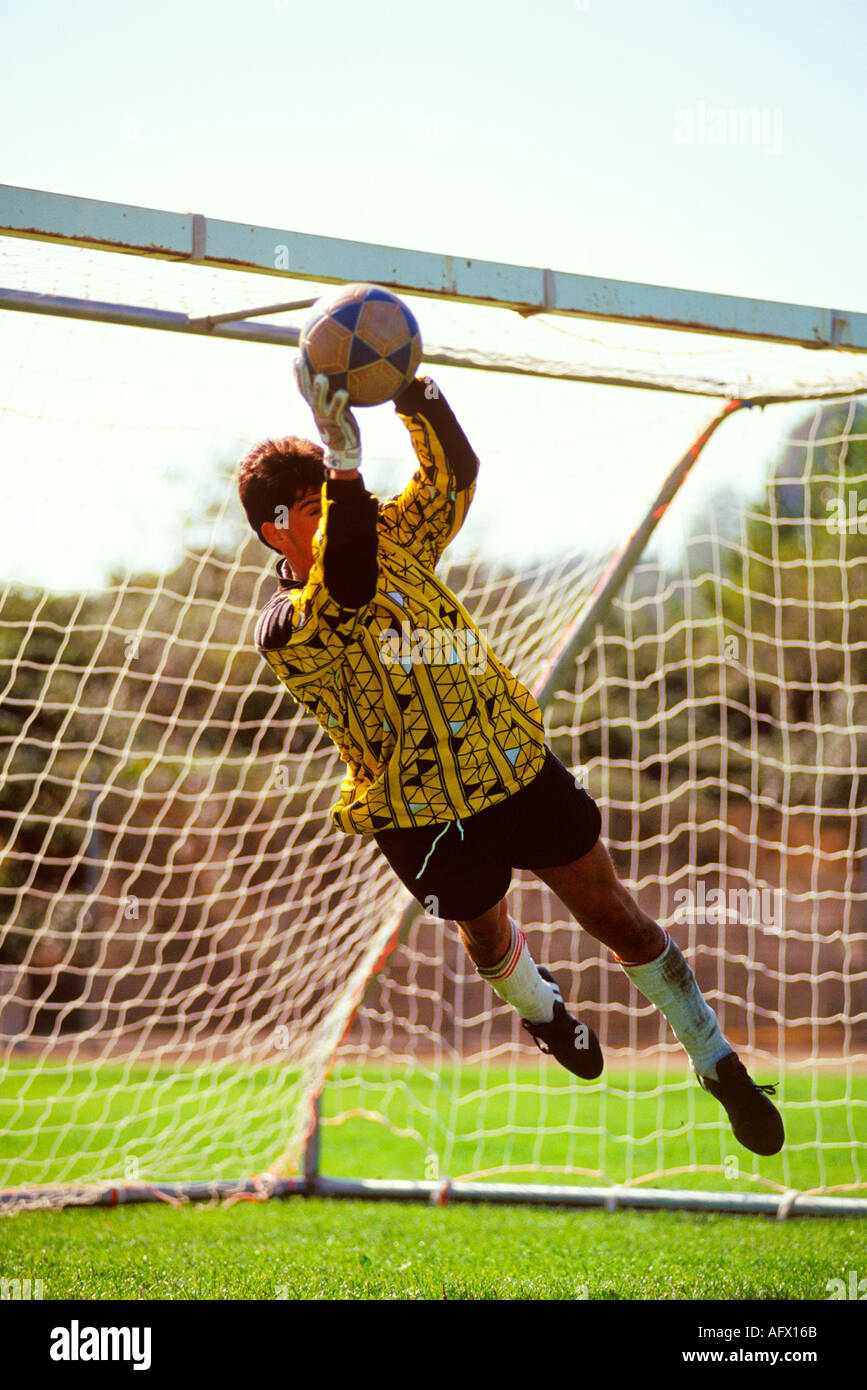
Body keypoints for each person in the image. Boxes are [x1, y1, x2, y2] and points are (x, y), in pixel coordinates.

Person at [236, 363, 784, 1156]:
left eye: (332, 502)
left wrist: (408, 387)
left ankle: (715, 1061)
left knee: (612, 914)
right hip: (415, 809)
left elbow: (453, 475)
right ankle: (543, 1012)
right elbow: (347, 588)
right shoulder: (285, 624)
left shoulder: (389, 533)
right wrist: (347, 469)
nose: (328, 520)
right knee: (486, 938)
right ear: (274, 530)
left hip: (509, 763)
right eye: (311, 511)